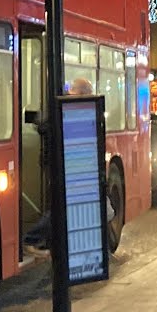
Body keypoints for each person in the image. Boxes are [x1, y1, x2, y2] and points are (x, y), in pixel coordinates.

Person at [22, 78, 96, 256]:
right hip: (60, 164)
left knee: (58, 206)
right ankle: (30, 239)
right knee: (60, 207)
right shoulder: (63, 107)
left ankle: (46, 242)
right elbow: (45, 128)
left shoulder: (62, 106)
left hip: (64, 163)